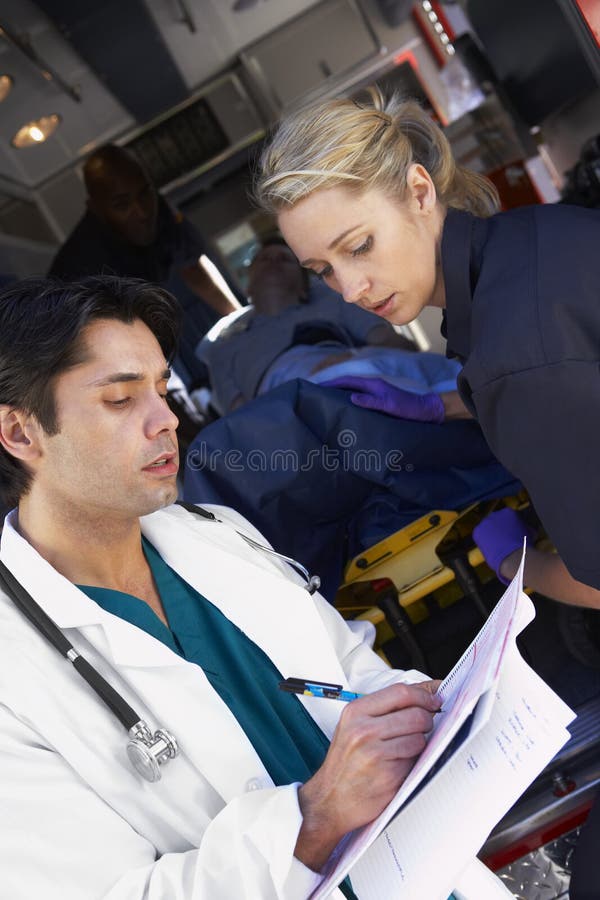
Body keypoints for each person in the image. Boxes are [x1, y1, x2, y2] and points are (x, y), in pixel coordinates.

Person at [0, 274, 506, 900]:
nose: (167, 421)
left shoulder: (217, 534)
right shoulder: (12, 675)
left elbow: (346, 669)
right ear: (21, 434)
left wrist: (421, 708)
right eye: (121, 400)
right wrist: (312, 820)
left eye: (162, 390)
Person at [254, 86, 600, 613]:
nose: (350, 290)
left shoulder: (513, 361)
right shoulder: (539, 230)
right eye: (324, 271)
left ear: (419, 192)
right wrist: (449, 405)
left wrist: (514, 562)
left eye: (359, 247)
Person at [198, 237, 464, 414]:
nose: (274, 265)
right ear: (249, 284)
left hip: (357, 362)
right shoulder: (225, 343)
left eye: (284, 259)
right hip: (284, 398)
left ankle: (479, 398)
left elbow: (395, 345)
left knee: (449, 373)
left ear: (304, 284)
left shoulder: (333, 300)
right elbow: (242, 418)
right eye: (265, 260)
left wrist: (353, 359)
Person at [48, 144, 240, 389]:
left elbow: (193, 267)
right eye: (122, 204)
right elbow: (103, 355)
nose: (142, 211)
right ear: (96, 209)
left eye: (145, 193)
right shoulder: (83, 267)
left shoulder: (160, 208)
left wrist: (241, 319)